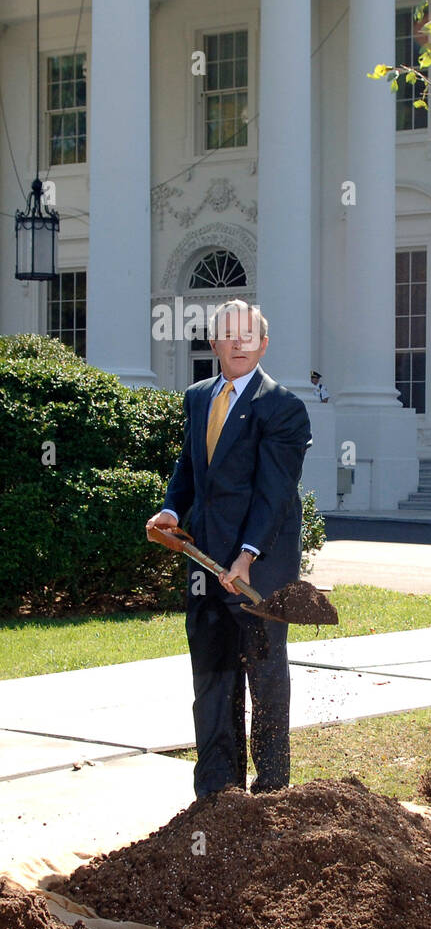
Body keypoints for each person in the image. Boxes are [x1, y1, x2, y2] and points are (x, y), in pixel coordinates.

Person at [145, 300, 312, 800]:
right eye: (227, 335)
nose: (238, 343)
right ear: (213, 342)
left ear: (263, 343)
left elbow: (274, 493)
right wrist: (173, 512)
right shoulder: (198, 398)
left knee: (264, 677)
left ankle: (271, 791)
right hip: (205, 567)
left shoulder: (283, 407)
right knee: (212, 678)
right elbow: (191, 470)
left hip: (256, 569)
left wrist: (247, 555)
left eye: (248, 335)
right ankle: (218, 792)